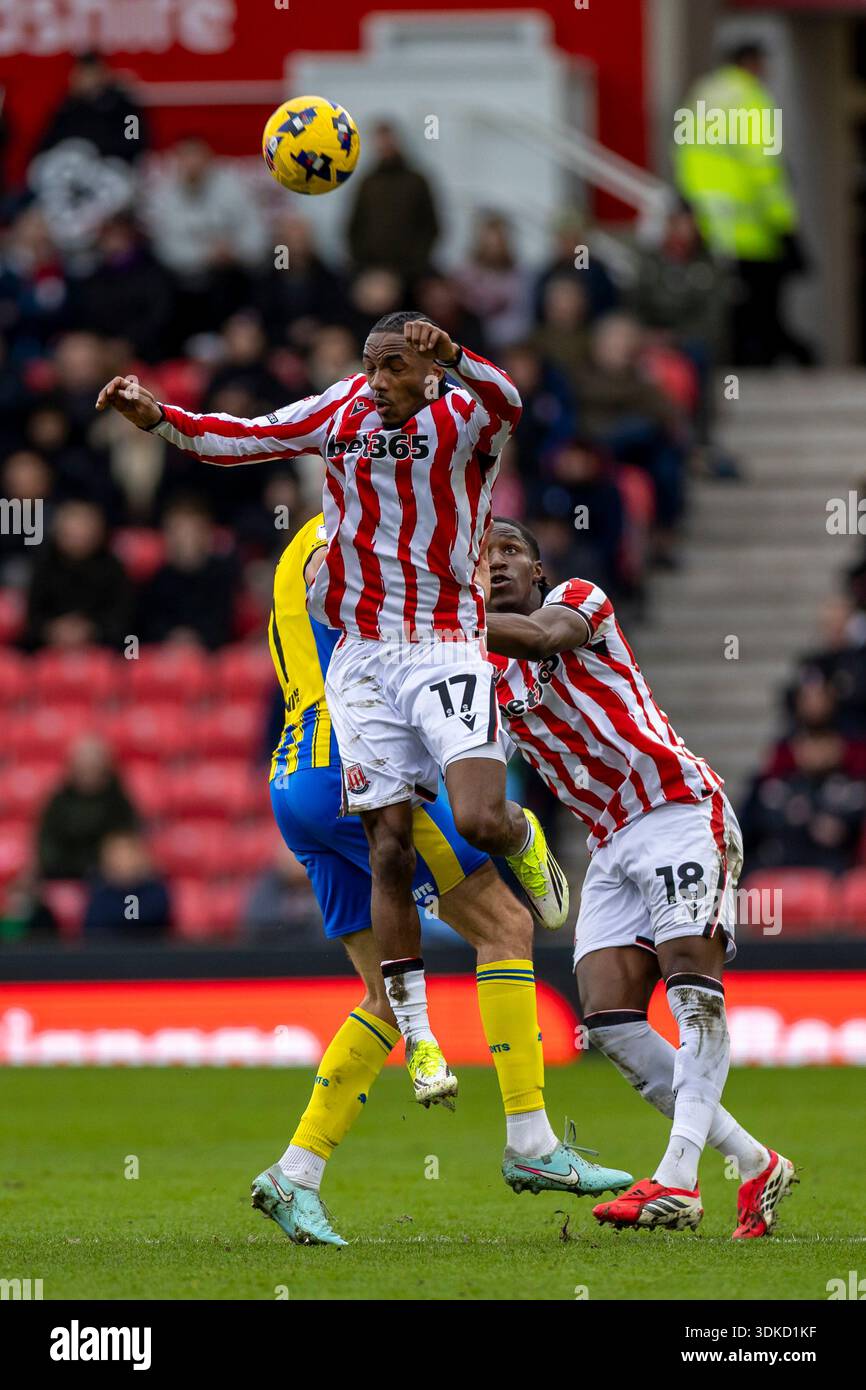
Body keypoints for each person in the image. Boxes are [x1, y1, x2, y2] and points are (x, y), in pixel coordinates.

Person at [96, 316, 571, 1111]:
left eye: (395, 368)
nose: (378, 381)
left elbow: (511, 402)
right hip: (363, 661)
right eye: (370, 367)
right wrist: (163, 418)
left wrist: (455, 355)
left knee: (482, 818)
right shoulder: (339, 412)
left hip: (445, 640)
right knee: (387, 846)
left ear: (427, 369)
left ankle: (524, 842)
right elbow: (242, 436)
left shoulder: (463, 416)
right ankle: (424, 1044)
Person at [256, 515, 633, 1243]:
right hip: (354, 764)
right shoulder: (365, 523)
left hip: (294, 773)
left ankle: (294, 1174)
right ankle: (532, 1143)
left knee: (384, 997)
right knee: (507, 925)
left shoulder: (305, 536)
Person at [480, 518, 796, 1238]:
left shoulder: (579, 603)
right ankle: (754, 1161)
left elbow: (538, 638)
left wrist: (433, 614)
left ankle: (679, 1181)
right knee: (609, 1018)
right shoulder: (488, 678)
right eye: (482, 557)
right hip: (611, 841)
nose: (496, 565)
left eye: (510, 553)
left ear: (538, 570)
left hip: (678, 808)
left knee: (693, 992)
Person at [673, 42, 812, 366]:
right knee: (763, 306)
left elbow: (683, 152)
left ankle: (741, 366)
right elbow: (764, 166)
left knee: (729, 306)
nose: (767, 72)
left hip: (708, 223)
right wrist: (784, 222)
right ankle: (778, 361)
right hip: (751, 226)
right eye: (763, 64)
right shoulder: (751, 97)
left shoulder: (703, 93)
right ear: (749, 63)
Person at [37, 735, 137, 881]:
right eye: (83, 768)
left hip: (108, 878)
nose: (88, 774)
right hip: (62, 876)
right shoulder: (58, 802)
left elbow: (127, 843)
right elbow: (46, 844)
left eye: (94, 768)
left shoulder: (119, 802)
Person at [347, 122, 439, 279]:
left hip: (412, 275)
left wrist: (415, 265)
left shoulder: (416, 181)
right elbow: (354, 226)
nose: (384, 145)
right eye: (380, 140)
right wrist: (365, 266)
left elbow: (430, 226)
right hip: (372, 273)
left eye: (388, 139)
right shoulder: (367, 183)